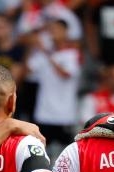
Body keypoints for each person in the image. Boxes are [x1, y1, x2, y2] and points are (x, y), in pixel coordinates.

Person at [26, 19, 81, 149]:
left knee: (68, 154)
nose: (53, 32)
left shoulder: (72, 53)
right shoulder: (42, 54)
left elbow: (65, 74)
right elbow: (27, 71)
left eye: (56, 29)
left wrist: (45, 52)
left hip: (65, 115)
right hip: (44, 114)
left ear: (65, 31)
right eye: (51, 29)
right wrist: (32, 46)